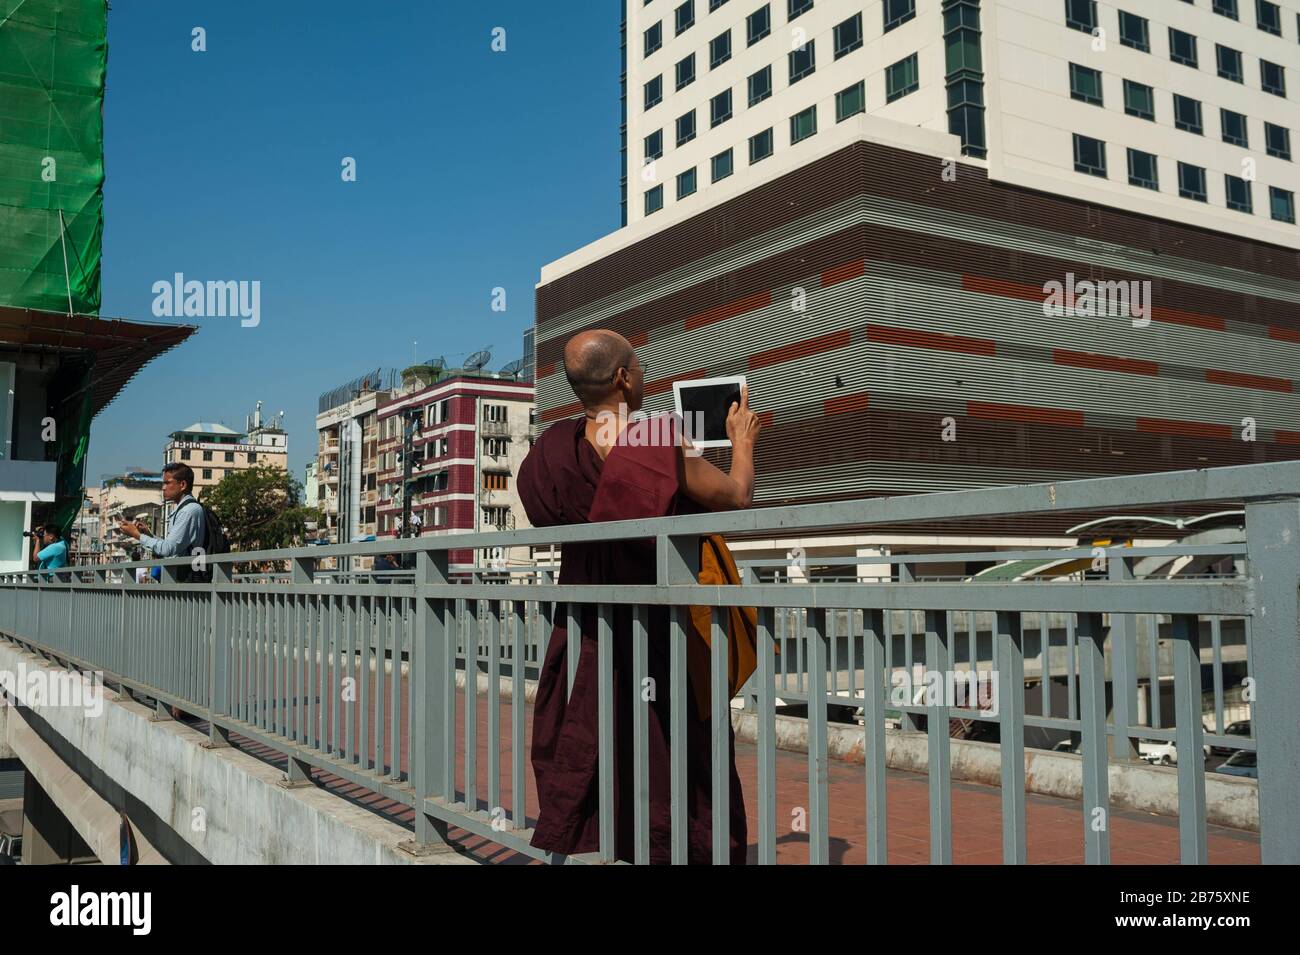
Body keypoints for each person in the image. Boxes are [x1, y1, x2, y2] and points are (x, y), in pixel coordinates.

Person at [517, 328, 761, 864]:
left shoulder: (552, 449)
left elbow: (549, 508)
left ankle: (609, 843)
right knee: (676, 752)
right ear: (625, 378)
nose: (646, 375)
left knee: (601, 737)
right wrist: (740, 441)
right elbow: (736, 496)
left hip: (587, 628)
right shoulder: (653, 442)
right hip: (658, 630)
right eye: (641, 366)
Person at [116, 463, 205, 565]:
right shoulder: (184, 508)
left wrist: (137, 535)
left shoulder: (188, 510)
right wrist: (148, 535)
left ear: (183, 485)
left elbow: (167, 550)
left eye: (167, 483)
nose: (163, 487)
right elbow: (170, 546)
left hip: (188, 577)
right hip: (181, 575)